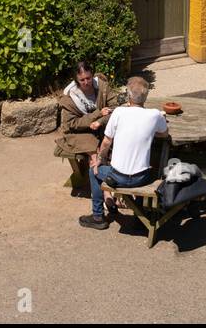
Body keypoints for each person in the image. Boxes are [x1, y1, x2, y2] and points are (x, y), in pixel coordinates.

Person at [80, 76, 167, 231]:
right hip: (141, 178)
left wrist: (99, 160)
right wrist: (151, 130)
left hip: (117, 177)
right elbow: (164, 134)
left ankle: (98, 216)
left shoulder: (119, 112)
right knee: (152, 167)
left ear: (128, 95)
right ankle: (140, 217)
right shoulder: (155, 115)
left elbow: (106, 142)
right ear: (146, 96)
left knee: (93, 171)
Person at [54, 61, 116, 196]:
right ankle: (106, 194)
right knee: (95, 155)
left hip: (102, 127)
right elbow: (72, 123)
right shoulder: (70, 97)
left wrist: (100, 121)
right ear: (76, 80)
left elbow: (113, 108)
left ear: (92, 75)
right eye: (82, 80)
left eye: (88, 78)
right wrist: (97, 114)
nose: (86, 82)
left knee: (115, 148)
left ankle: (112, 190)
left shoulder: (102, 87)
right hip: (79, 132)